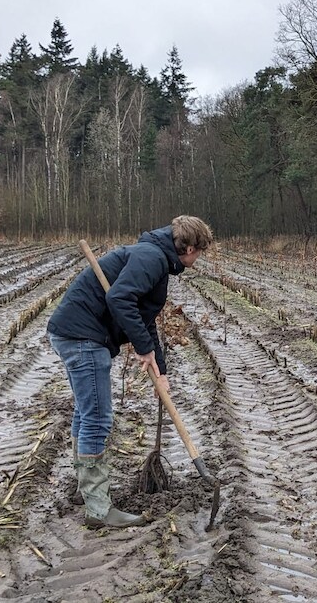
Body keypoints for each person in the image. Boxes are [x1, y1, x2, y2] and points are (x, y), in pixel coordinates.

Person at [47, 215, 214, 528]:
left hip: (73, 333)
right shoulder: (152, 258)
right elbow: (119, 298)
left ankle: (86, 489)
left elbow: (143, 319)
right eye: (200, 252)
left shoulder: (154, 258)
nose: (199, 259)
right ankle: (98, 509)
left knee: (86, 413)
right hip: (82, 337)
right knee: (97, 418)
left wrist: (159, 369)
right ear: (190, 248)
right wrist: (142, 348)